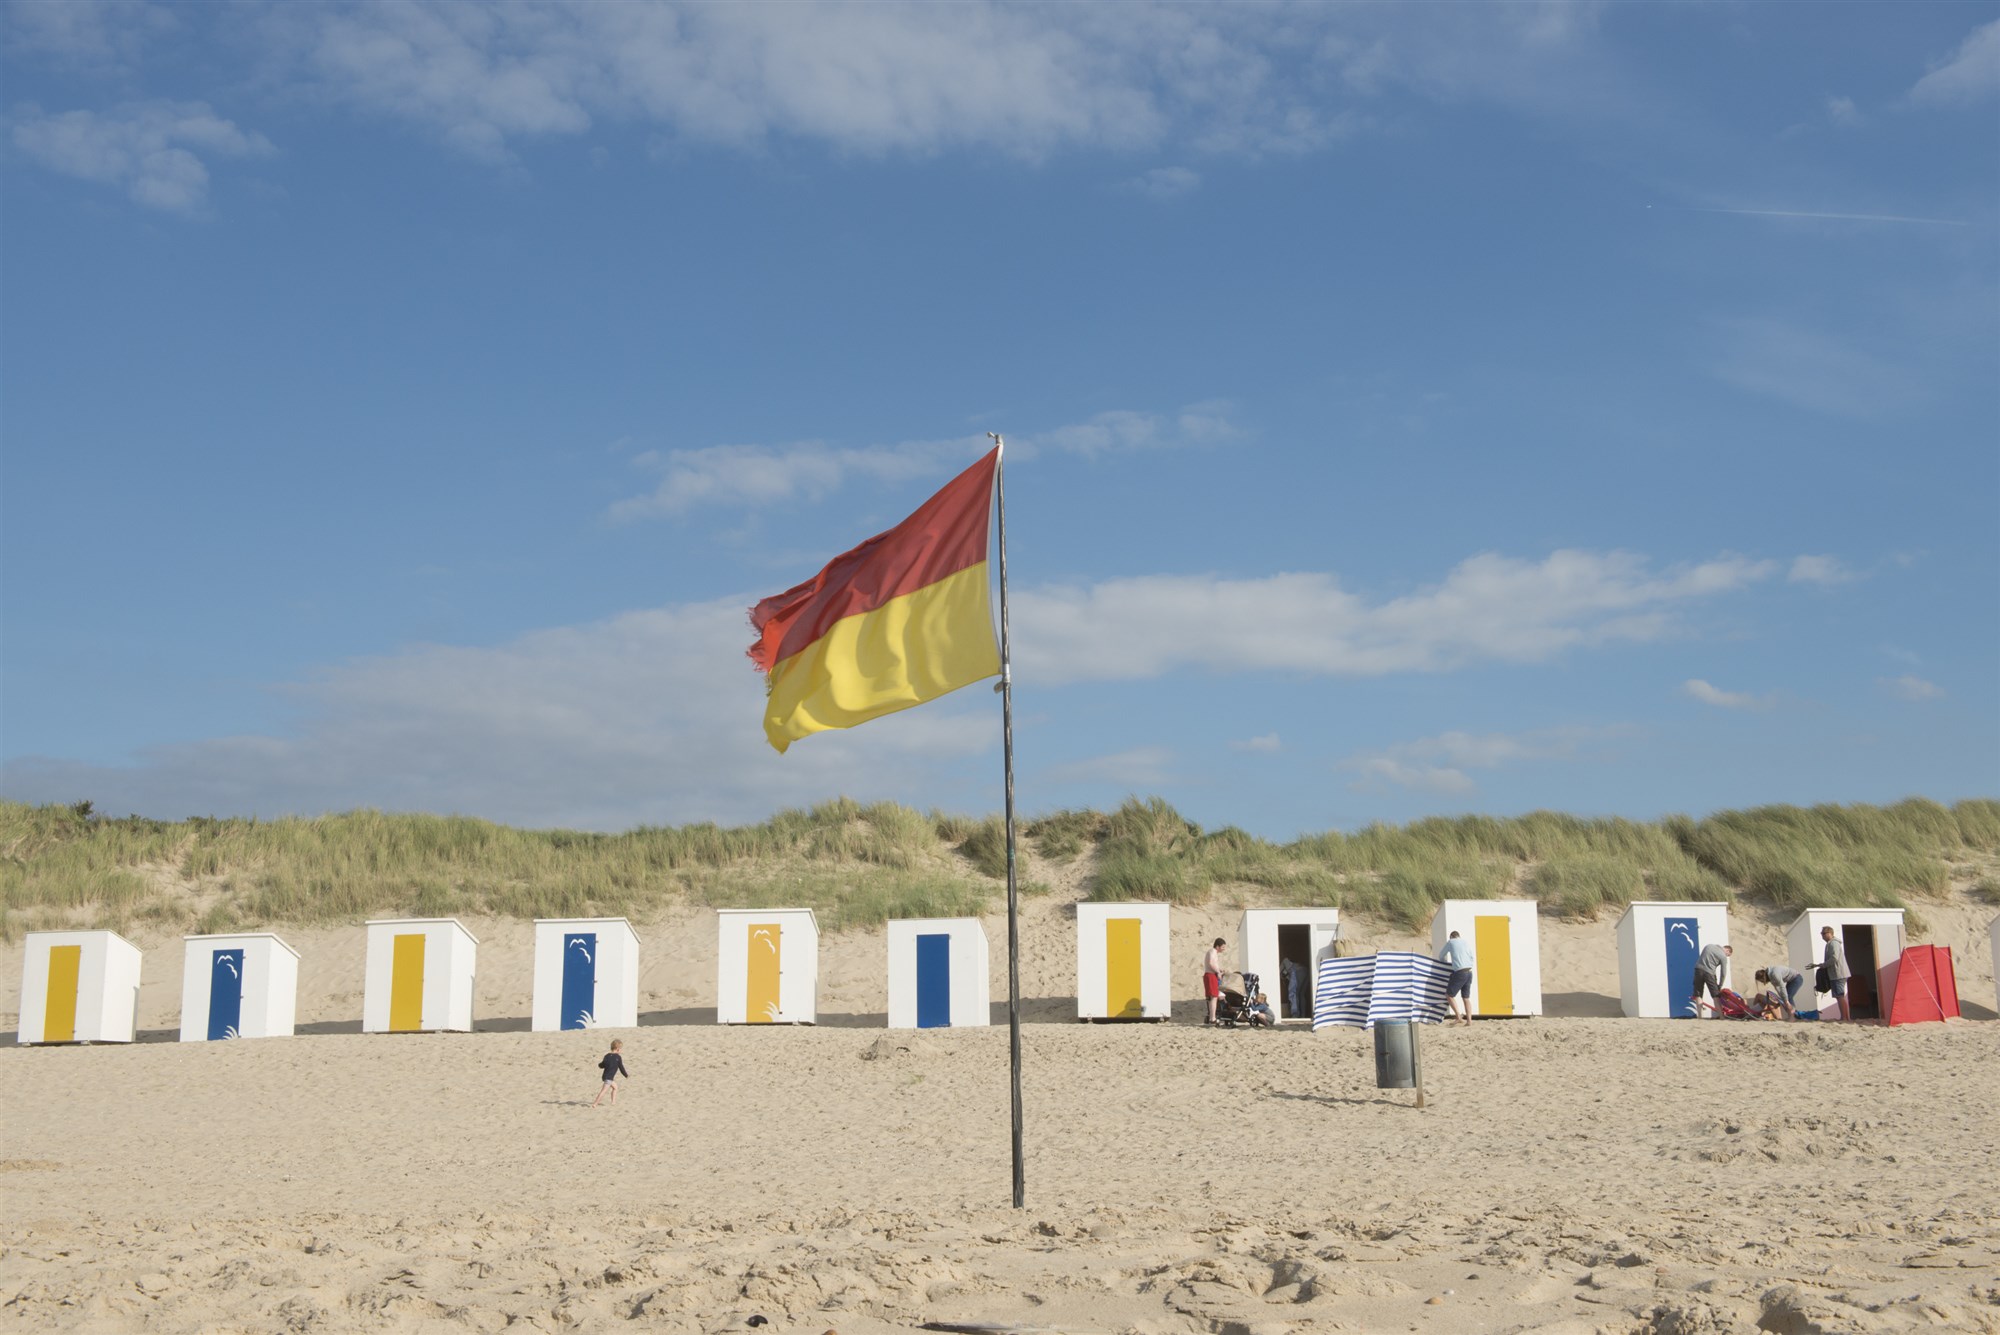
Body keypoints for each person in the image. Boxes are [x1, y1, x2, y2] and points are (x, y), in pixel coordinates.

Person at [1439, 929, 1474, 1026]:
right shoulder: (1465, 942)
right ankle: (1469, 1021)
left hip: (1460, 972)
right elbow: (1471, 957)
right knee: (1466, 997)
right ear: (1459, 936)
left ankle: (1458, 1017)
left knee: (1449, 995)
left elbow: (1441, 955)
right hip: (1469, 971)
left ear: (1451, 937)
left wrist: (1446, 964)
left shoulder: (1451, 942)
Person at [1691, 943, 1732, 1017]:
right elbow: (1723, 972)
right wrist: (1720, 985)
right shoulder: (1723, 956)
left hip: (1698, 970)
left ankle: (1700, 1017)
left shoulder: (1708, 946)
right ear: (1727, 950)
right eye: (1728, 955)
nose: (1727, 956)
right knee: (1715, 995)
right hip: (1710, 973)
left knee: (1698, 994)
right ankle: (1721, 1017)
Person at [1820, 925, 1851, 1022]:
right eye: (1822, 934)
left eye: (1824, 933)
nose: (1822, 936)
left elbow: (1834, 958)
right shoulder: (1831, 944)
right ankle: (1845, 1017)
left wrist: (1824, 965)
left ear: (1830, 933)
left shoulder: (1834, 943)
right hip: (1836, 974)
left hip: (1838, 973)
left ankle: (1845, 1018)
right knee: (1839, 996)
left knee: (1840, 996)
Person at [592, 1039, 628, 1107]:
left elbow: (602, 1065)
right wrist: (626, 1075)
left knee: (615, 1087)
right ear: (617, 1049)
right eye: (620, 1049)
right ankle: (595, 1103)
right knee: (604, 1091)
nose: (621, 1050)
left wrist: (599, 1065)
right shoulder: (618, 1057)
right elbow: (621, 1067)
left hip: (605, 1076)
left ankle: (613, 1102)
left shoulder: (607, 1056)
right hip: (609, 1078)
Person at [1203, 938, 1226, 1026]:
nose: (1224, 949)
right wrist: (1218, 972)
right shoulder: (1213, 951)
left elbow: (1212, 964)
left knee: (1211, 997)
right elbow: (1211, 963)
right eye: (1223, 947)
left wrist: (1219, 970)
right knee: (1214, 997)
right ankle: (1212, 1018)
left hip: (1209, 975)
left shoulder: (1212, 952)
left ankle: (1211, 1017)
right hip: (1211, 975)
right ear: (1217, 946)